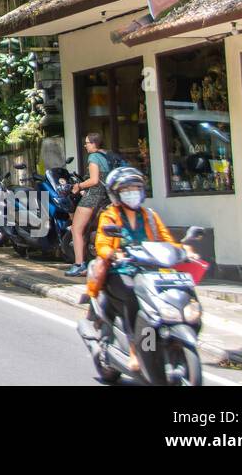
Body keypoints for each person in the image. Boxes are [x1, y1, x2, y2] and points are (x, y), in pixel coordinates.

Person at [89, 166, 193, 372]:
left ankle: (169, 336)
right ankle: (136, 348)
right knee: (132, 296)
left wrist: (185, 251)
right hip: (121, 272)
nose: (132, 193)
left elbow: (166, 240)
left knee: (180, 292)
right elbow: (102, 242)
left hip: (151, 272)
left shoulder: (150, 216)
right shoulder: (110, 216)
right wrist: (113, 253)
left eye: (135, 188)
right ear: (117, 193)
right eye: (126, 189)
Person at [65, 132, 111, 276]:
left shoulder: (94, 157)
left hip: (93, 197)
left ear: (94, 143)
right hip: (108, 198)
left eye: (87, 143)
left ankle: (79, 264)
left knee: (76, 229)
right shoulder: (108, 155)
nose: (85, 146)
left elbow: (94, 180)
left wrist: (79, 186)